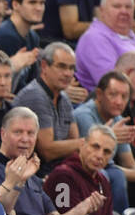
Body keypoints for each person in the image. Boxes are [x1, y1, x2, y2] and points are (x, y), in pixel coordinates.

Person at [13, 42, 83, 175]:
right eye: (62, 67)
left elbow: (75, 142)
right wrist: (85, 142)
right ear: (44, 66)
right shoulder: (35, 95)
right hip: (33, 172)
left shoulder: (64, 98)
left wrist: (81, 143)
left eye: (71, 68)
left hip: (59, 168)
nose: (68, 73)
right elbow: (47, 151)